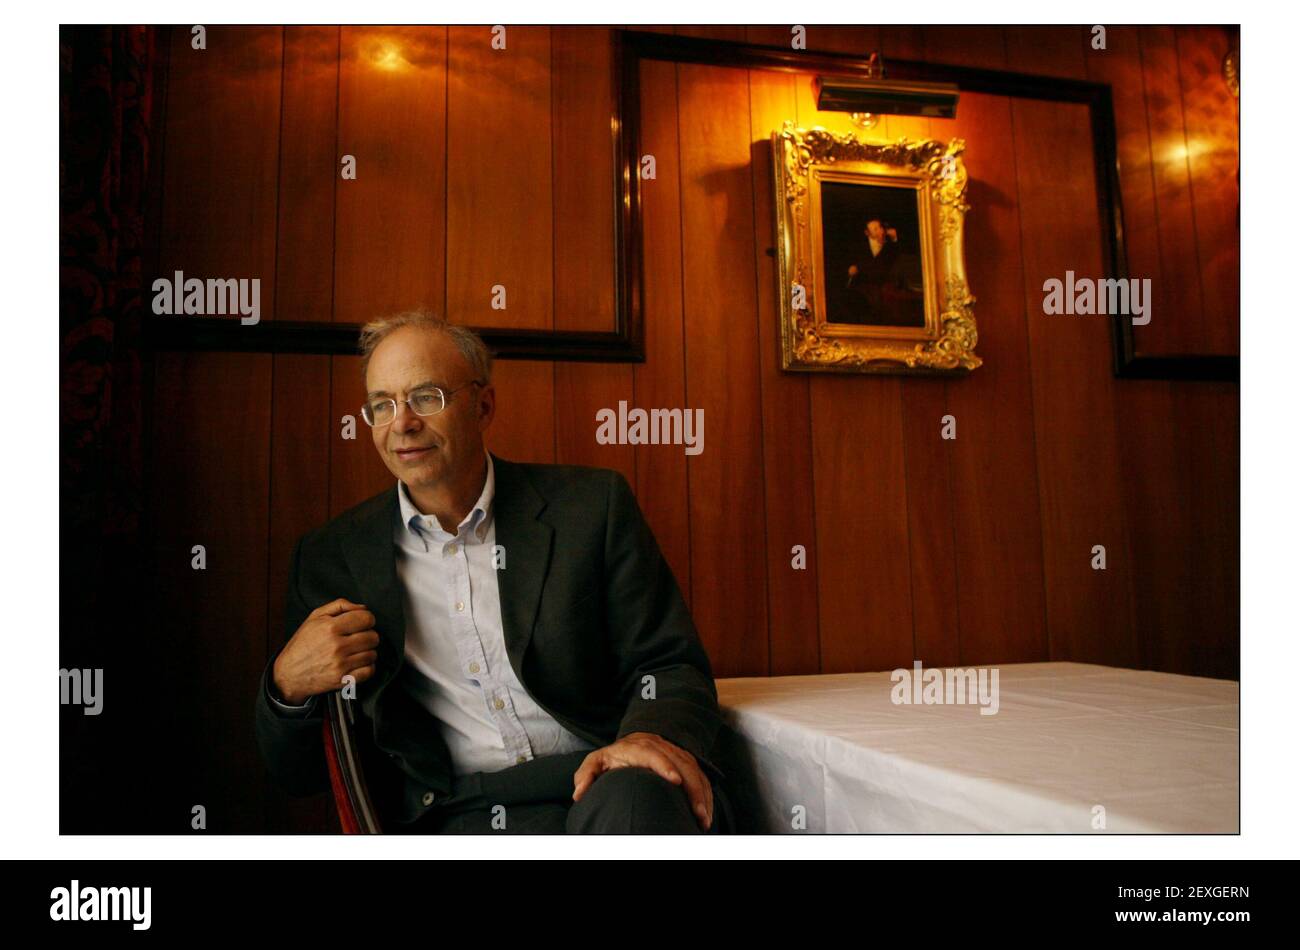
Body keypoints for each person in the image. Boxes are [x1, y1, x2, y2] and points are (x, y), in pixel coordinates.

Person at [254, 310, 732, 834]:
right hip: (457, 813)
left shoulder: (591, 509)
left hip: (601, 780)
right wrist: (286, 688)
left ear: (483, 406)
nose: (402, 423)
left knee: (639, 799)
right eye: (381, 405)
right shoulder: (332, 558)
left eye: (426, 397)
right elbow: (297, 775)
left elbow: (668, 664)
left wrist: (648, 737)